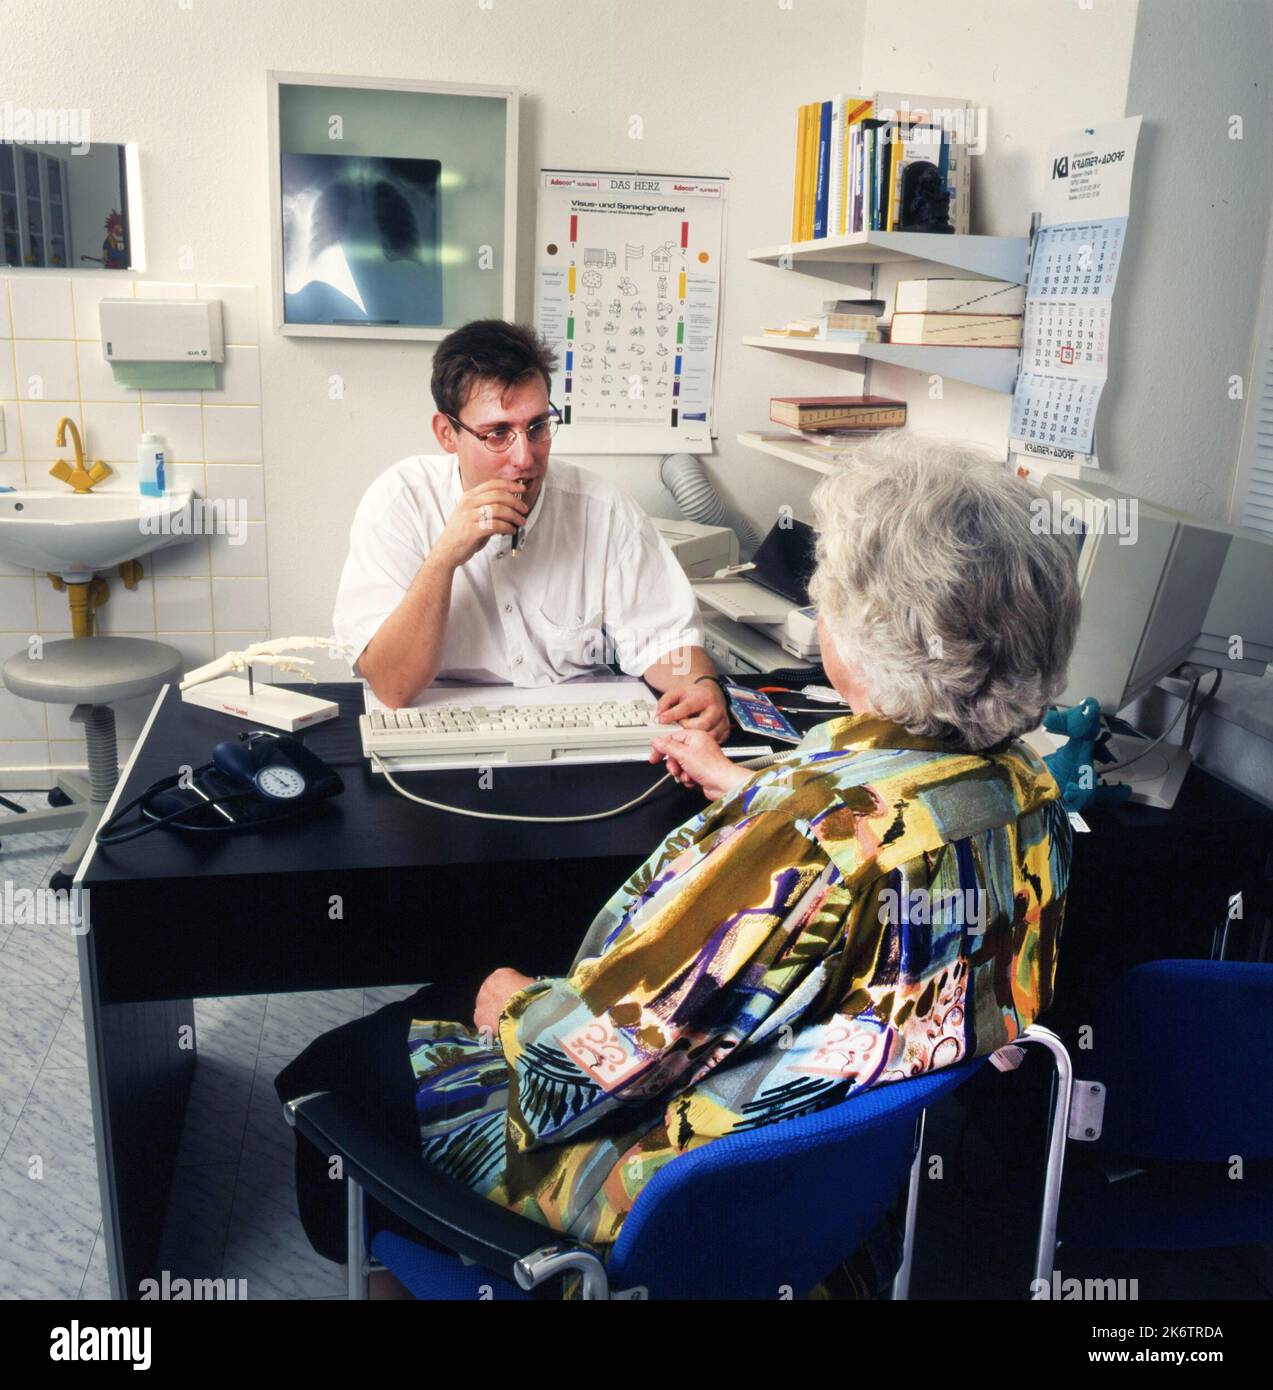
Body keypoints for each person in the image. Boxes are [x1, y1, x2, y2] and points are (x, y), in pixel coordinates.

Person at [278, 431, 1081, 1297]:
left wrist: (511, 1004)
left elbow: (570, 1083)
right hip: (825, 1184)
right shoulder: (1027, 794)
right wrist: (755, 793)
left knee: (339, 1068)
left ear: (873, 629)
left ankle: (413, 1264)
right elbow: (893, 847)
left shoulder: (796, 841)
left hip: (664, 1182)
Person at [331, 317, 728, 740]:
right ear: (447, 434)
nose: (525, 458)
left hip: (577, 735)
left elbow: (665, 639)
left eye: (537, 427)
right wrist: (445, 557)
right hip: (446, 727)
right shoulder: (401, 503)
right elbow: (392, 687)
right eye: (498, 433)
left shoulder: (603, 509)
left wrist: (699, 686)